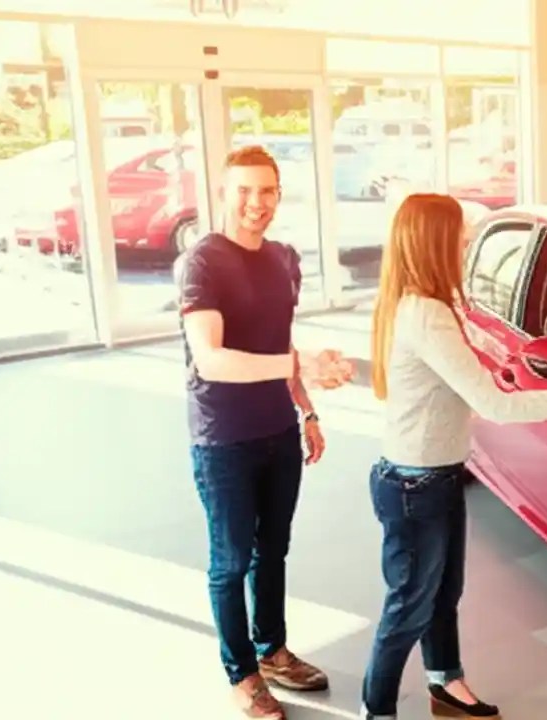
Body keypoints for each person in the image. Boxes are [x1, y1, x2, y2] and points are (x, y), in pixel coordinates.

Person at [362, 193, 547, 720]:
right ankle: (378, 709)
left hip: (429, 476)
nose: (466, 250)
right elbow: (490, 403)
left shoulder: (422, 304)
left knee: (442, 594)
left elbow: (467, 387)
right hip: (418, 486)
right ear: (435, 244)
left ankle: (446, 683)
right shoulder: (426, 315)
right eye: (460, 241)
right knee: (409, 605)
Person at [179, 145, 352, 720]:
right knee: (230, 561)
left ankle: (271, 648)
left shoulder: (283, 259)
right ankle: (243, 674)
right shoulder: (203, 262)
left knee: (272, 550)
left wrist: (305, 410)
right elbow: (211, 359)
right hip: (223, 438)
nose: (257, 203)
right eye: (245, 191)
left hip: (279, 431)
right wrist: (298, 367)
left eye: (268, 191)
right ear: (224, 193)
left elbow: (279, 342)